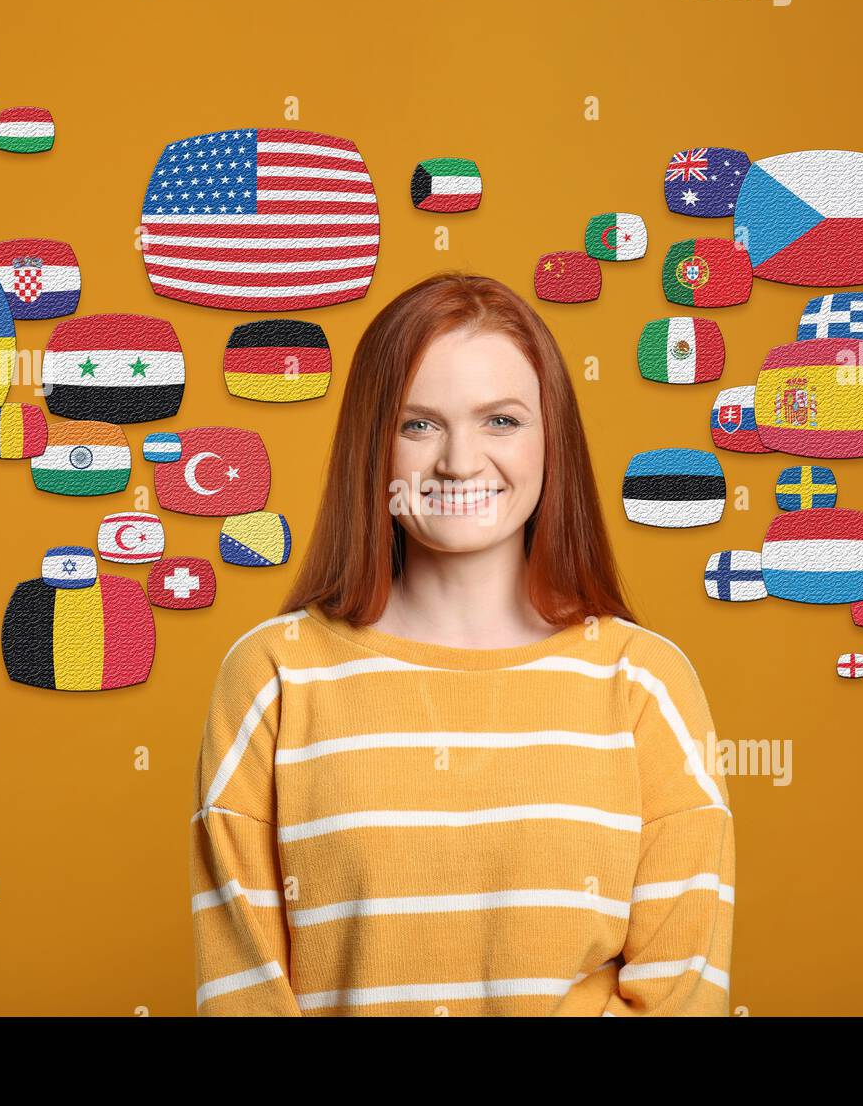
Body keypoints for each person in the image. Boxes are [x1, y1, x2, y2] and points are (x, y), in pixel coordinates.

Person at [189, 272, 734, 1016]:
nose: (458, 461)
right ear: (371, 446)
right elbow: (242, 991)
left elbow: (680, 995)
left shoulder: (647, 684)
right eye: (418, 424)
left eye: (501, 421)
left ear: (553, 439)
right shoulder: (272, 676)